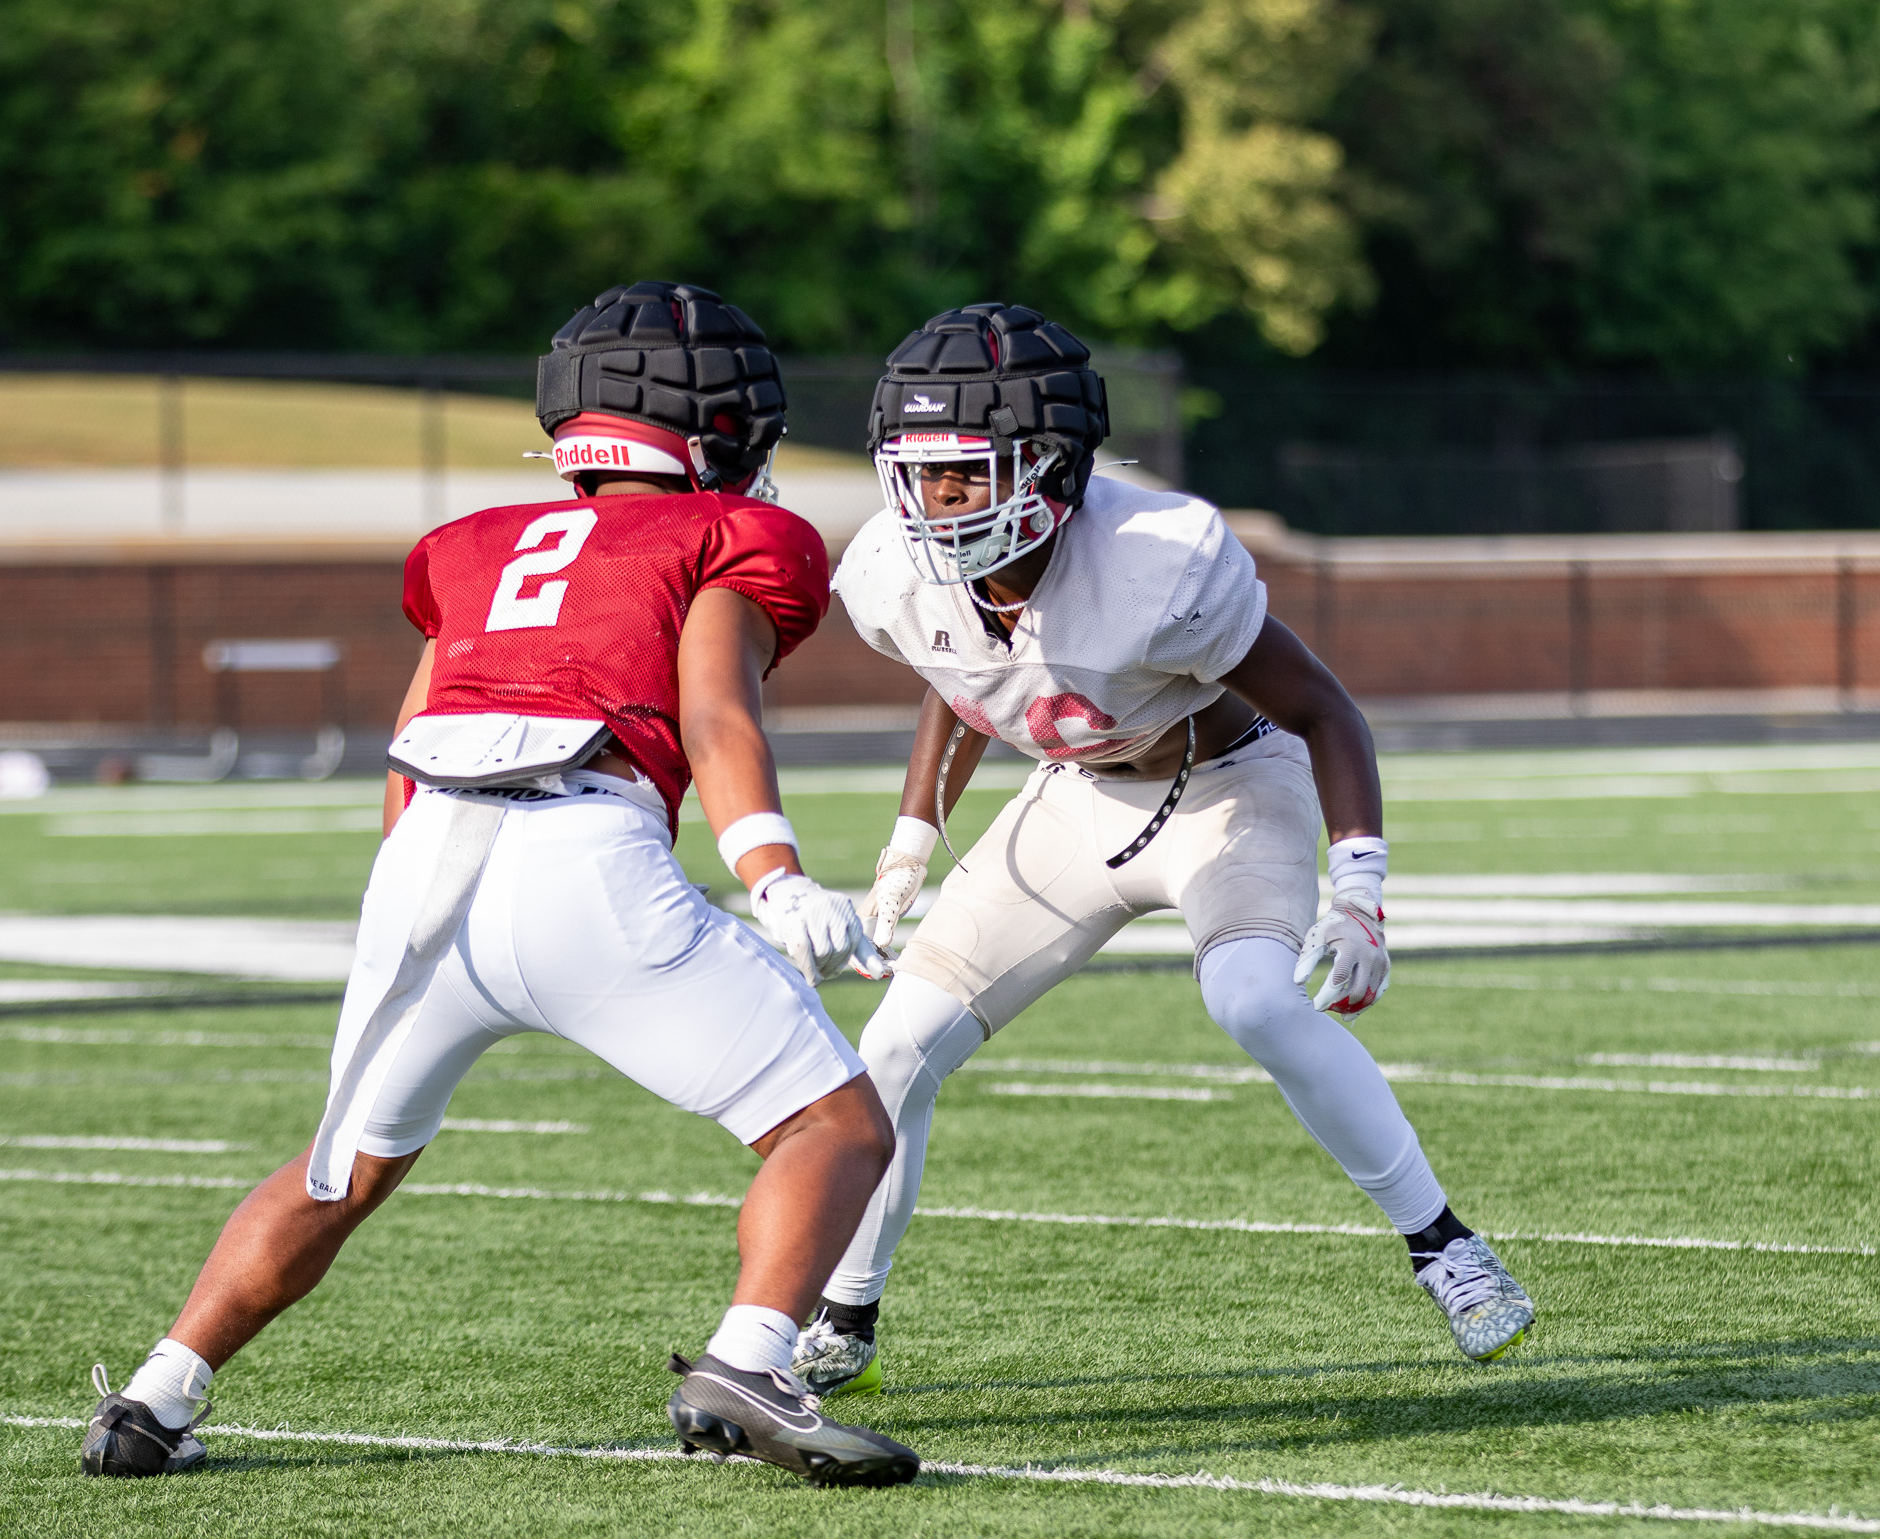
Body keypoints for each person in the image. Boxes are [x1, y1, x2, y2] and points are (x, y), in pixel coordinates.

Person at [82, 281, 919, 1488]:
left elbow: (412, 735)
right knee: (833, 1125)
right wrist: (771, 870)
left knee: (340, 1172)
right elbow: (712, 704)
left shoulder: (475, 545)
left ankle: (157, 1394)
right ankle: (748, 1359)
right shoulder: (728, 534)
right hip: (582, 853)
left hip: (424, 868)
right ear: (714, 428)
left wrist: (397, 902)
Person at [792, 302, 1534, 1397]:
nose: (931, 503)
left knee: (1252, 998)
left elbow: (1325, 709)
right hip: (1072, 801)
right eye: (916, 474)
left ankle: (1444, 1247)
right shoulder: (893, 574)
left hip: (1224, 788)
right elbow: (956, 681)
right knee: (892, 1047)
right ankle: (845, 1310)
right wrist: (910, 842)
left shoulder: (1153, 560)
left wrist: (1360, 886)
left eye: (963, 475)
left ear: (1047, 468)